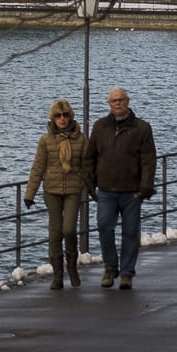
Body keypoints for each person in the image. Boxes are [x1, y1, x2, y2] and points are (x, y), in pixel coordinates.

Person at [86, 86, 156, 290]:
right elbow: (90, 157)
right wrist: (89, 183)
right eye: (114, 100)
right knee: (104, 226)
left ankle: (126, 273)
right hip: (106, 189)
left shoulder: (142, 128)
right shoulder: (100, 126)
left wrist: (146, 186)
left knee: (130, 232)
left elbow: (149, 160)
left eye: (121, 99)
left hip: (132, 190)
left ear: (128, 101)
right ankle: (110, 267)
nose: (117, 103)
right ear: (109, 104)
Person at [24, 98, 93, 289]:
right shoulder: (46, 140)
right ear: (53, 118)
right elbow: (38, 167)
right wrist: (30, 194)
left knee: (69, 229)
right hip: (51, 190)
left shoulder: (81, 139)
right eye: (58, 115)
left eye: (65, 115)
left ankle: (72, 266)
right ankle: (58, 275)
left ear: (70, 116)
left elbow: (88, 165)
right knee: (55, 233)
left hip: (73, 190)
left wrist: (93, 187)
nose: (62, 119)